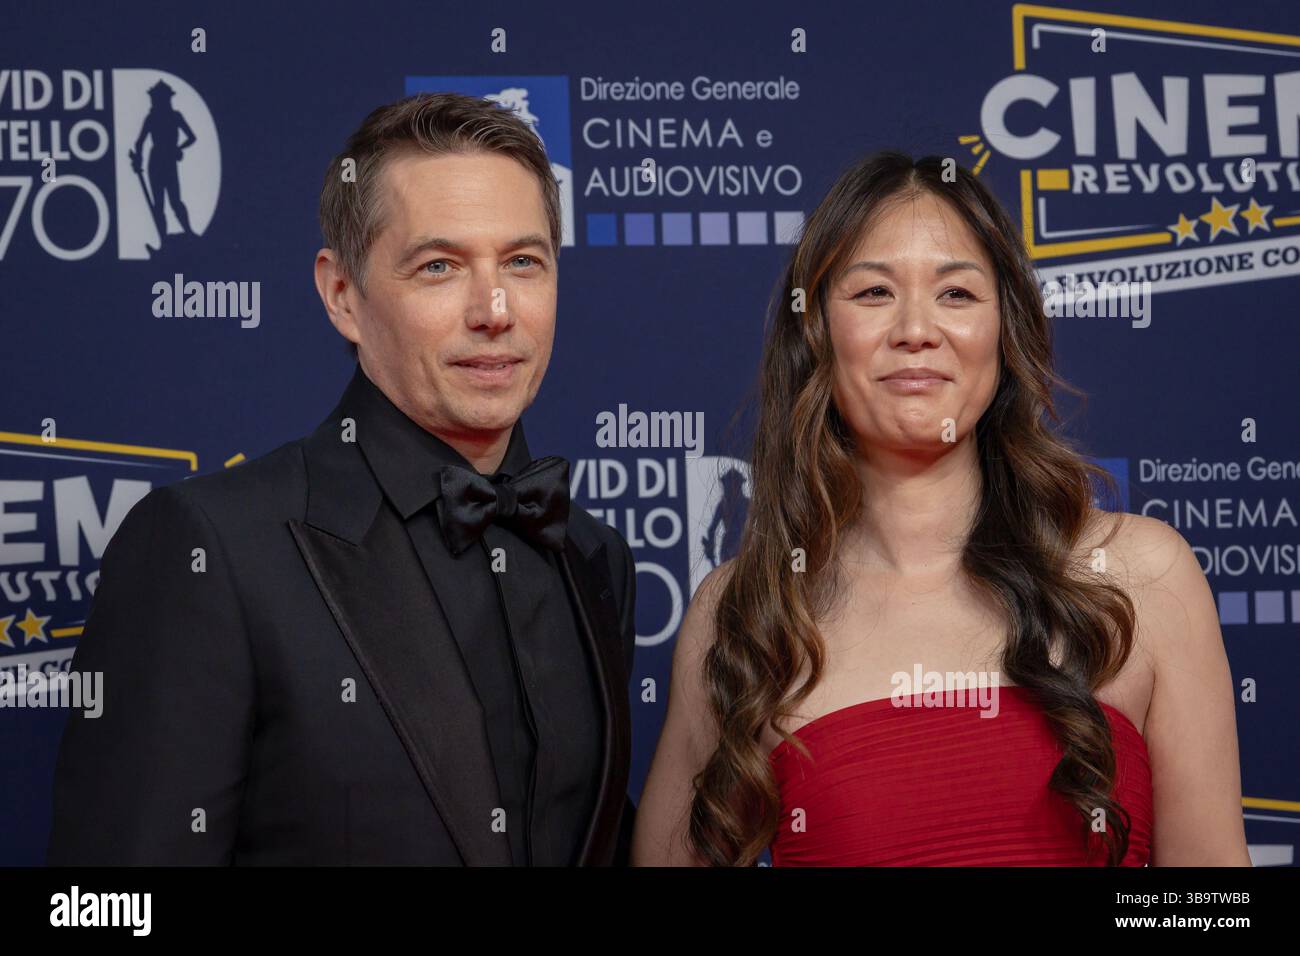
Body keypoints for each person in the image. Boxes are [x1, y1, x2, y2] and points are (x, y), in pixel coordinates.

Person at [47, 92, 636, 866]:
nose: (494, 310)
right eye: (438, 266)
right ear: (342, 295)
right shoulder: (212, 549)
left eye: (523, 262)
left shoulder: (593, 556)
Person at [632, 151, 1252, 867]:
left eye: (956, 294)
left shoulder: (1144, 576)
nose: (916, 330)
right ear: (816, 335)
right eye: (872, 294)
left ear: (1004, 329)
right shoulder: (747, 611)